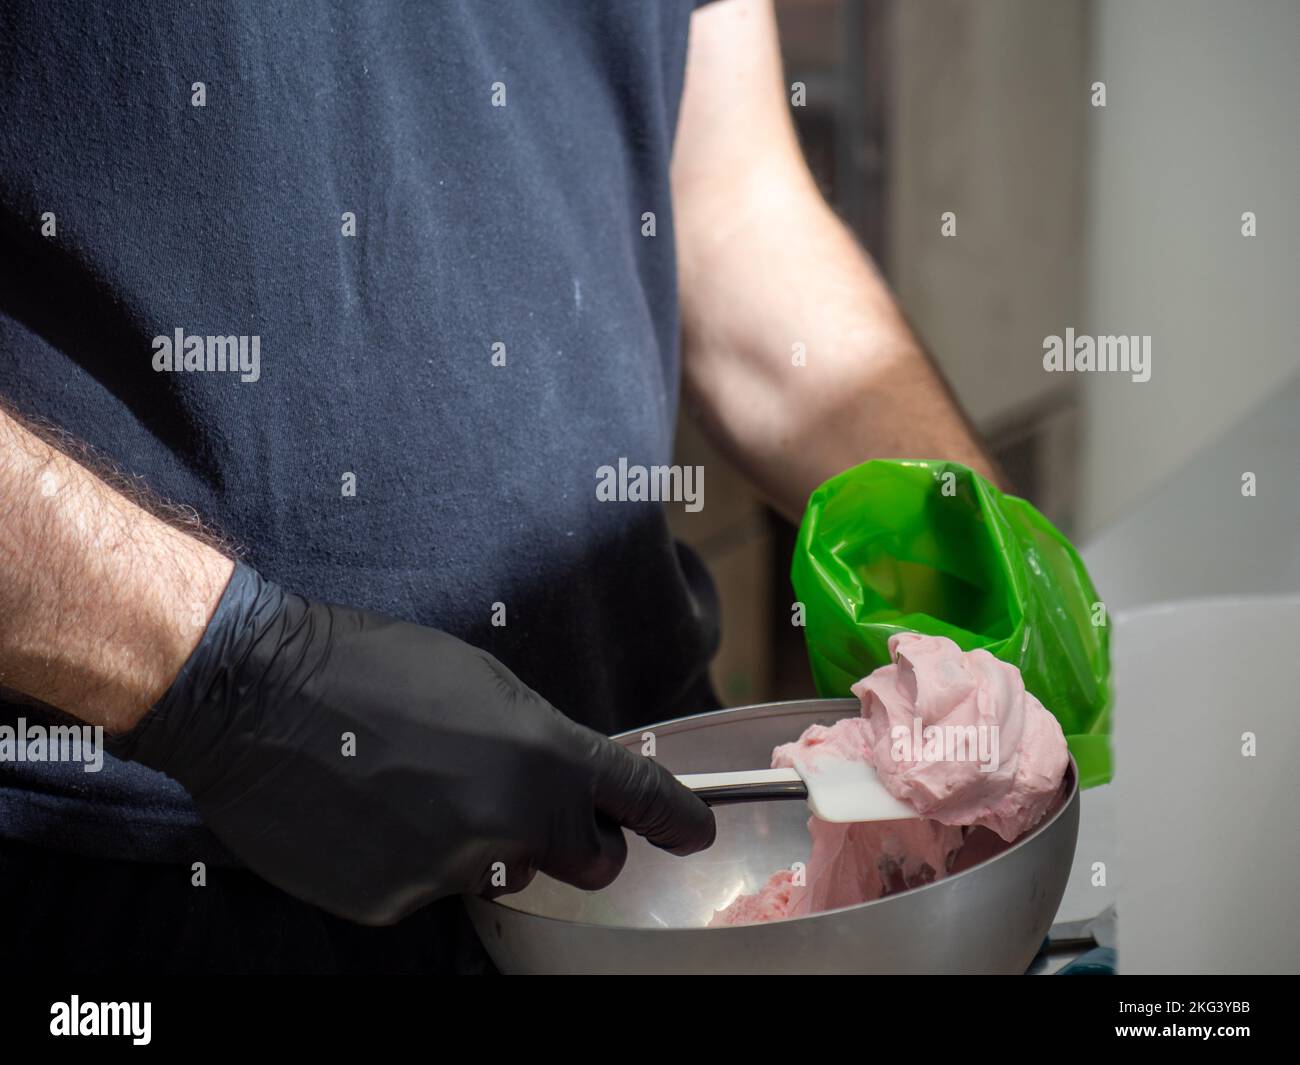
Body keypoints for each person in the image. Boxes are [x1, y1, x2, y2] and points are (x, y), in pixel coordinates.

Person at [0, 0, 998, 973]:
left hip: (639, 835)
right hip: (122, 858)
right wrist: (235, 680)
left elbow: (732, 203)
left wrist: (973, 546)